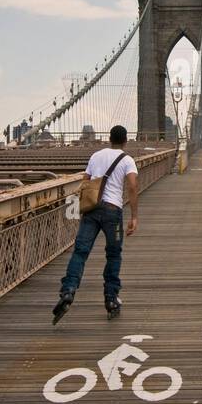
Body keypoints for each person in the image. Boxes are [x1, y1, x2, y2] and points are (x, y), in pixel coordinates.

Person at [52, 125, 138, 324]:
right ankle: (111, 298)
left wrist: (74, 211)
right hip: (112, 211)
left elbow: (85, 183)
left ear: (109, 138)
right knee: (113, 254)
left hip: (91, 210)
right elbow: (133, 185)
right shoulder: (127, 160)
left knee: (80, 252)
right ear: (125, 141)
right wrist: (134, 216)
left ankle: (68, 291)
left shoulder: (96, 156)